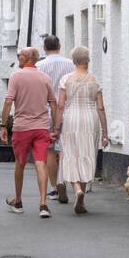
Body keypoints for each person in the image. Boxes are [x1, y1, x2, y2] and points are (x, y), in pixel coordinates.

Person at [0, 47, 58, 218]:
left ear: (25, 58)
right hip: (41, 128)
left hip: (22, 128)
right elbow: (53, 104)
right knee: (41, 162)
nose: (18, 58)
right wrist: (54, 128)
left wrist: (3, 126)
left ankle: (18, 201)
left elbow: (8, 102)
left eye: (19, 56)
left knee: (20, 163)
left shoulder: (16, 76)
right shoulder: (45, 78)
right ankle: (43, 204)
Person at [54, 46, 109, 215]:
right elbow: (100, 108)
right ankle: (82, 196)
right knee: (87, 155)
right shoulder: (95, 80)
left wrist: (56, 127)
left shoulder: (66, 79)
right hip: (90, 118)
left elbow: (61, 105)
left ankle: (76, 189)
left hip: (71, 119)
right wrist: (105, 133)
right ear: (88, 60)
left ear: (73, 61)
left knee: (71, 155)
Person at [35, 35, 74, 203]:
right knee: (67, 149)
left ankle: (55, 188)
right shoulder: (71, 64)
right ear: (60, 45)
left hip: (47, 111)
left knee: (49, 150)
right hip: (68, 109)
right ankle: (65, 180)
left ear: (44, 48)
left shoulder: (39, 66)